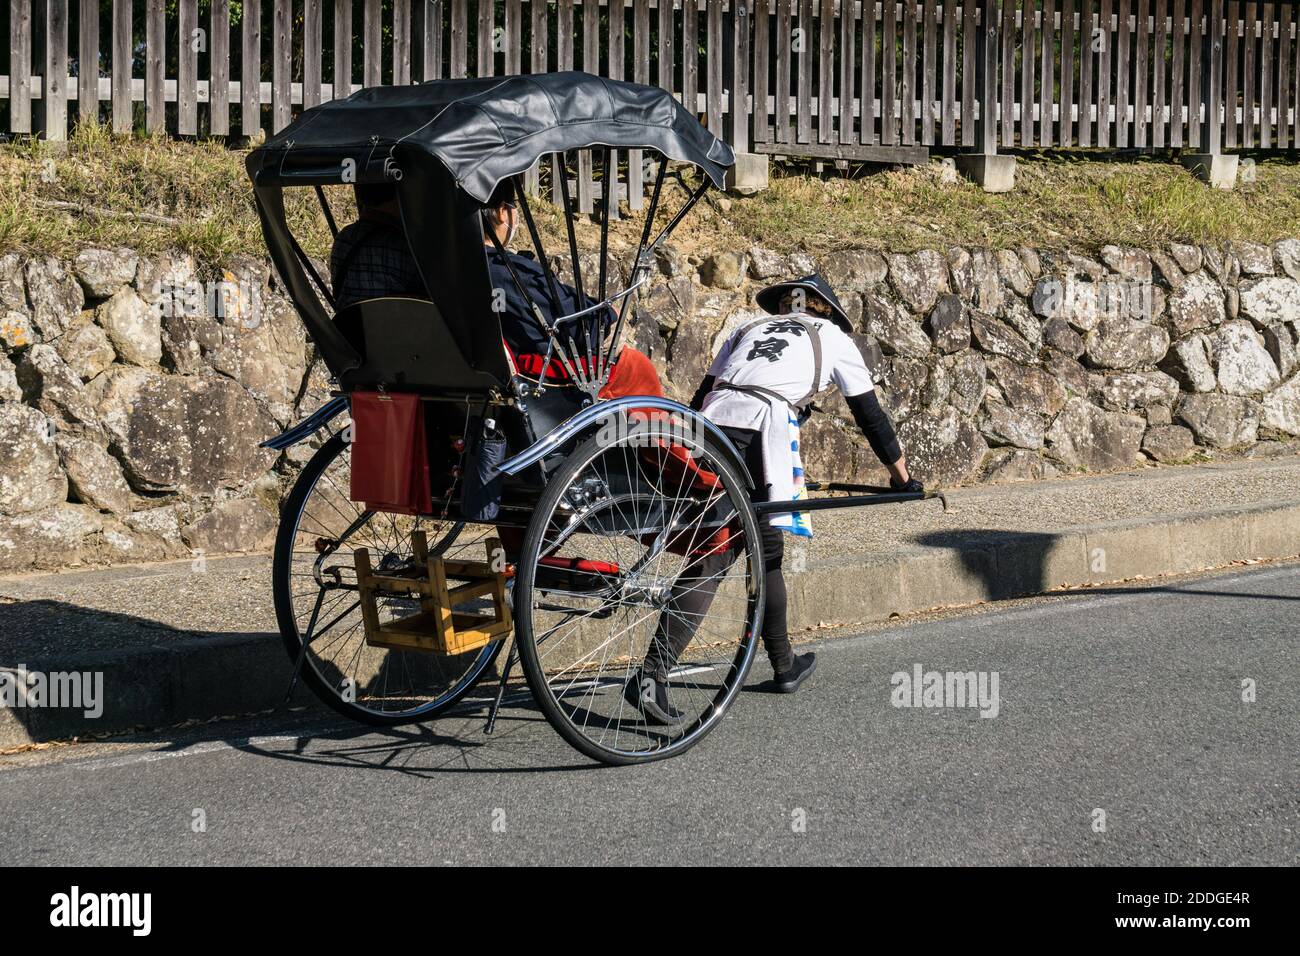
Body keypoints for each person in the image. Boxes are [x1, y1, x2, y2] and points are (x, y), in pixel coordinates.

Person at [626, 272, 921, 724]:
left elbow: (702, 394)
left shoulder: (745, 327)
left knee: (766, 549)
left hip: (710, 428)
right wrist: (902, 478)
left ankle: (783, 665)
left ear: (786, 305)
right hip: (757, 438)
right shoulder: (834, 337)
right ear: (825, 308)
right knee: (718, 553)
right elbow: (869, 415)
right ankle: (652, 675)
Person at [480, 177, 663, 396]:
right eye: (514, 205)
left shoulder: (457, 269)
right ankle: (654, 429)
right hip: (536, 373)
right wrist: (605, 316)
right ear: (502, 212)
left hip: (487, 369)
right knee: (636, 366)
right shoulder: (511, 271)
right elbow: (571, 320)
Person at [328, 182, 428, 309]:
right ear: (397, 200)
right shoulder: (404, 246)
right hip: (400, 324)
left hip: (347, 326)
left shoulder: (344, 238)